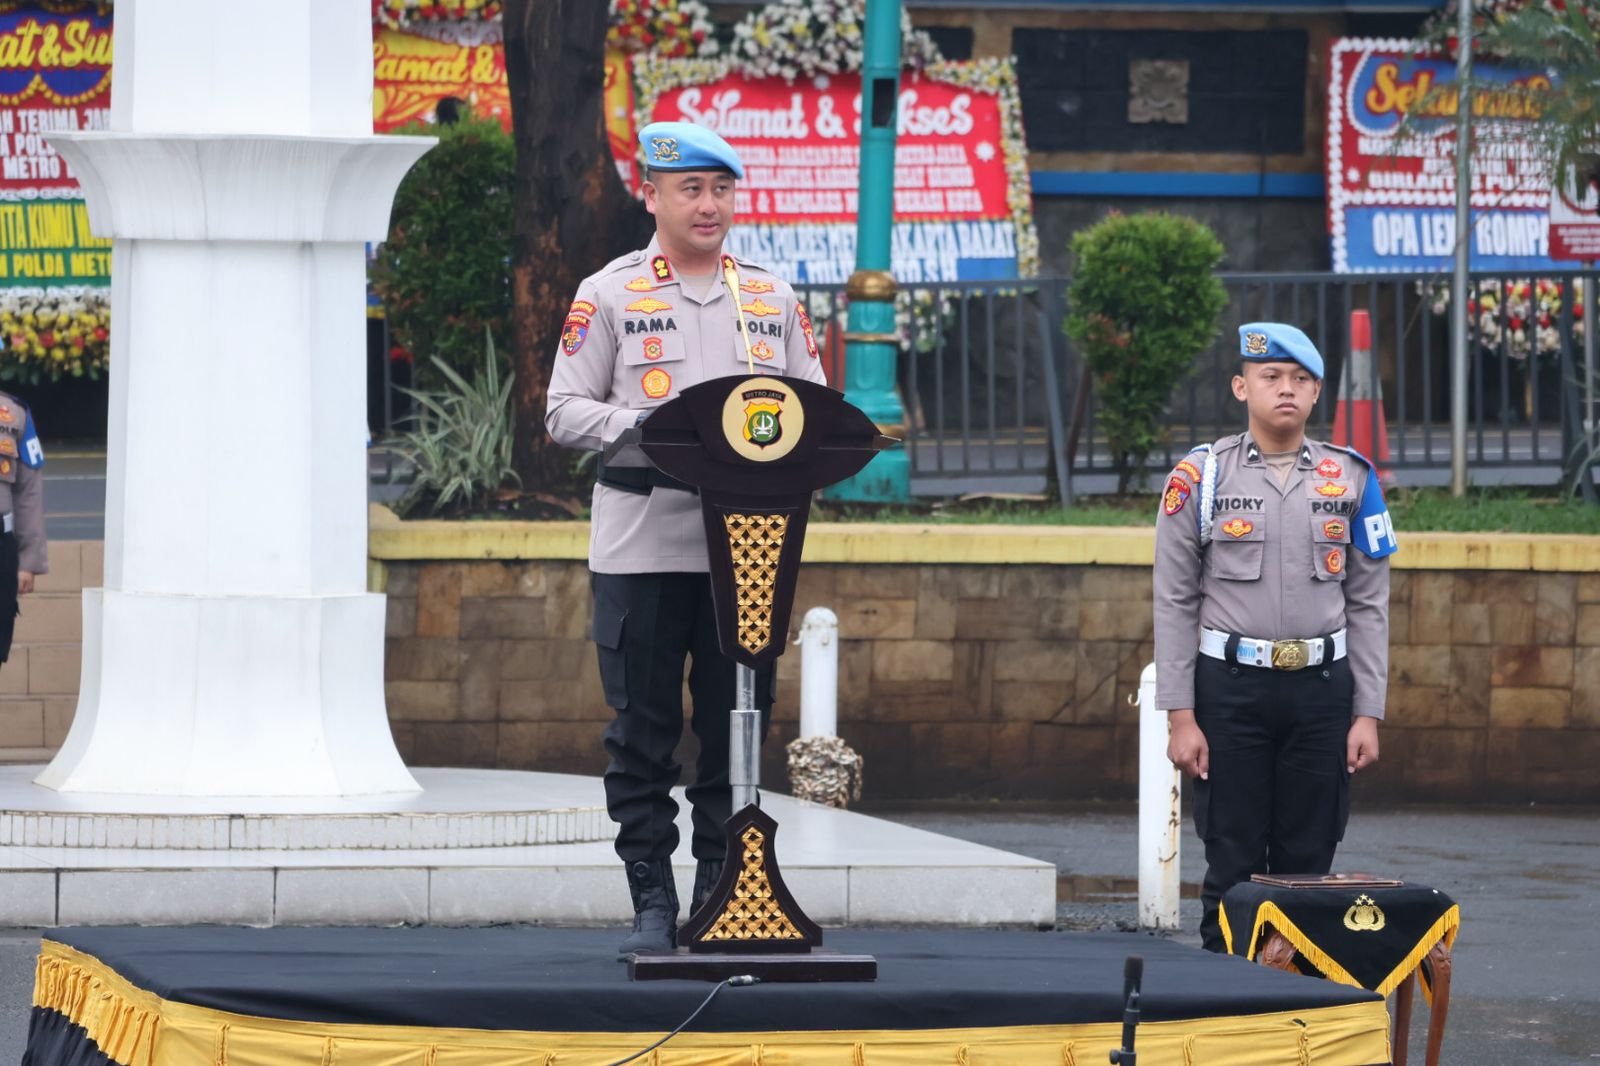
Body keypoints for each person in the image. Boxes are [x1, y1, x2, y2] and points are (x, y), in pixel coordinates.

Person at [545, 121, 827, 958]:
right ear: (654, 195)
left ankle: (721, 888)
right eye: (691, 190)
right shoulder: (611, 292)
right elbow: (563, 411)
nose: (710, 206)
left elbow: (812, 405)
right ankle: (652, 901)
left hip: (745, 551)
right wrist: (658, 429)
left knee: (736, 725)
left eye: (721, 189)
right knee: (643, 735)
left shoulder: (767, 298)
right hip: (644, 542)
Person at [1153, 323, 1397, 953]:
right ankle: (1223, 1006)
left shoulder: (1353, 480)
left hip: (1321, 693)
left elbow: (1369, 602)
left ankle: (1299, 1017)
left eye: (1301, 379)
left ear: (1317, 393)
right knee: (1231, 859)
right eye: (1271, 377)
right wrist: (1181, 716)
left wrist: (1367, 711)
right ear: (1242, 386)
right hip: (1230, 691)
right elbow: (1175, 599)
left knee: (1308, 862)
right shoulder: (1200, 478)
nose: (1286, 389)